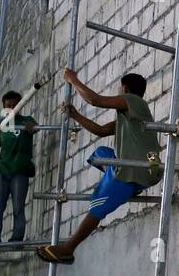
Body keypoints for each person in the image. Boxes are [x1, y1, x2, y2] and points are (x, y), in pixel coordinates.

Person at [36, 70, 162, 264]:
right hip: (141, 168)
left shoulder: (132, 101)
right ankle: (120, 186)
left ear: (125, 89)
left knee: (97, 205)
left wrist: (72, 79)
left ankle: (68, 249)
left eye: (120, 88)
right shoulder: (130, 115)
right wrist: (75, 115)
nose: (118, 91)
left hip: (136, 170)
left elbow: (95, 100)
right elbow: (101, 131)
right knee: (101, 154)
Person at [0, 90, 38, 243]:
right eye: (7, 105)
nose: (10, 107)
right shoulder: (3, 124)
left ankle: (17, 237)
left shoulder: (26, 120)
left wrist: (30, 127)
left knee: (18, 207)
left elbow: (35, 127)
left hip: (20, 171)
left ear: (19, 105)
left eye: (14, 104)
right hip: (3, 170)